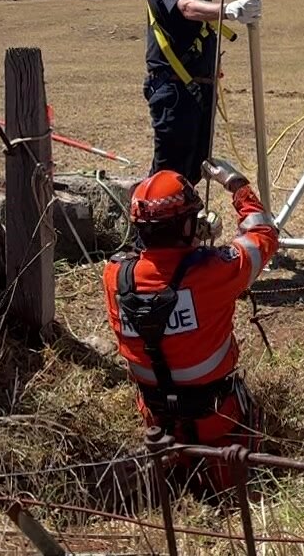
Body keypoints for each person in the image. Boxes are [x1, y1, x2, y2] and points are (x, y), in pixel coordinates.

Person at [103, 158, 279, 492]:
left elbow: (157, 277)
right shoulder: (214, 272)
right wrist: (238, 186)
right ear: (187, 225)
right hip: (217, 416)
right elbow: (263, 232)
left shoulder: (114, 276)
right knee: (232, 482)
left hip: (155, 415)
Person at [142, 0, 261, 181]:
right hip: (175, 91)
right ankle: (151, 227)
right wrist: (229, 10)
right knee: (169, 180)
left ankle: (185, 227)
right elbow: (186, 7)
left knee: (191, 175)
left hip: (195, 89)